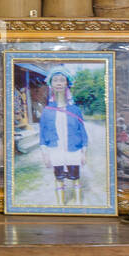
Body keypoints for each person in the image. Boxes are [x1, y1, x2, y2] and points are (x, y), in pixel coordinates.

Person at [39, 71, 88, 205]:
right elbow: (42, 134)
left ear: (67, 84)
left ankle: (78, 205)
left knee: (75, 177)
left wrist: (84, 152)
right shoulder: (47, 111)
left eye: (62, 80)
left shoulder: (75, 110)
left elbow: (82, 131)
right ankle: (61, 205)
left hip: (74, 149)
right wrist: (45, 154)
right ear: (51, 84)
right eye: (55, 80)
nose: (59, 83)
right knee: (59, 177)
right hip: (55, 150)